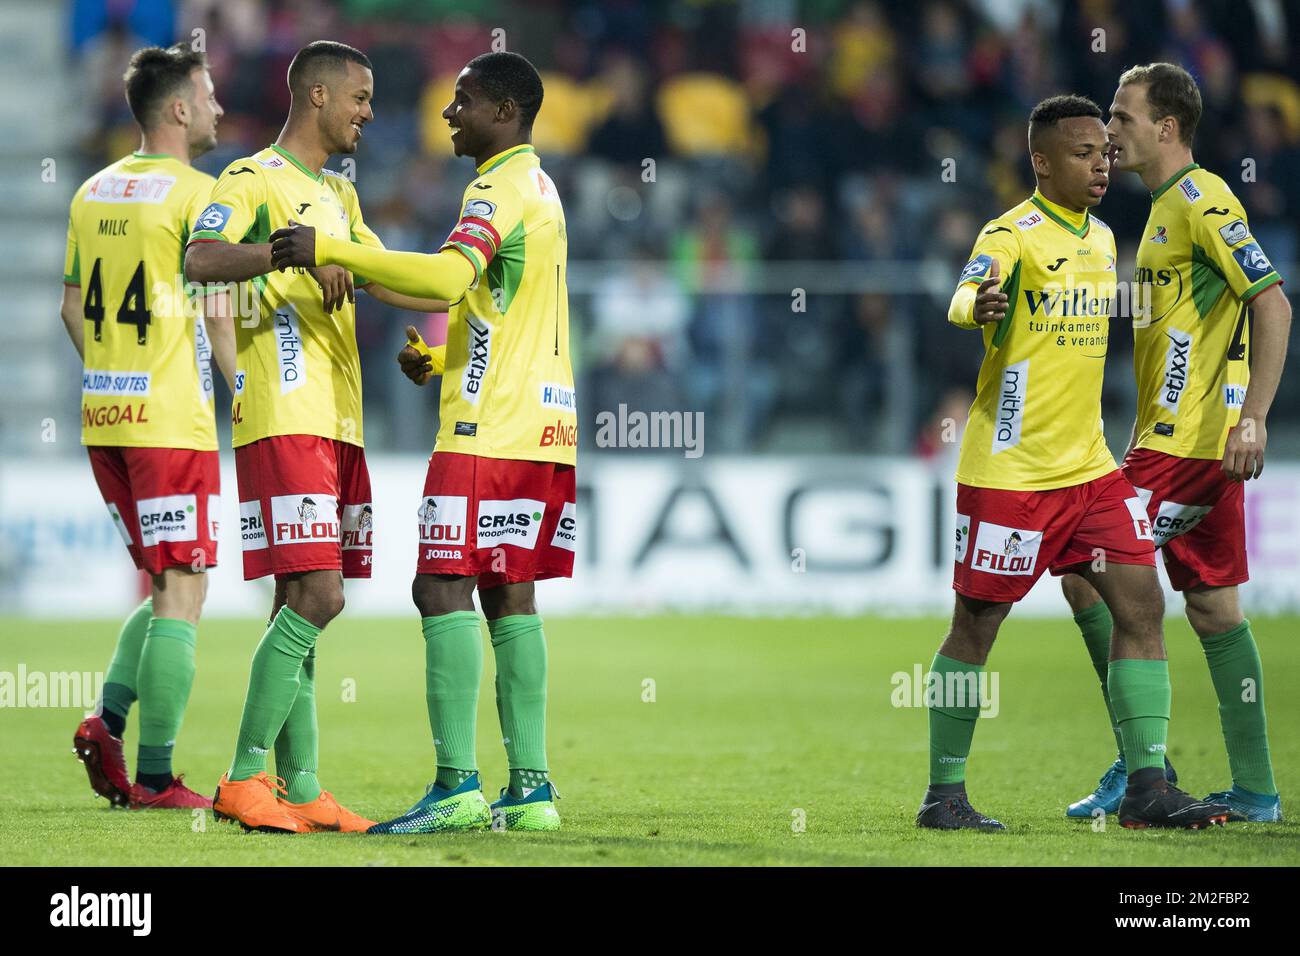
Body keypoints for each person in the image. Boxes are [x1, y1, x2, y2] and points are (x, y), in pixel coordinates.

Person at [270, 50, 574, 833]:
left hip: (486, 434)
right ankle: (533, 791)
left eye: (463, 102)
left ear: (503, 112)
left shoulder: (494, 188)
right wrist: (441, 360)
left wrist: (328, 248)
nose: (449, 113)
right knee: (511, 596)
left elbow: (444, 281)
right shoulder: (540, 187)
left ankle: (457, 786)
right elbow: (499, 307)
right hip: (541, 428)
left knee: (440, 588)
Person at [918, 94, 1229, 831]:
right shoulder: (1011, 233)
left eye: (1105, 149)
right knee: (976, 626)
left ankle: (1148, 784)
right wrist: (979, 305)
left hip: (1089, 470)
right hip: (1011, 473)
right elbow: (965, 292)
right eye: (1084, 152)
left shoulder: (1100, 238)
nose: (1102, 161)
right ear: (1042, 161)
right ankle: (945, 794)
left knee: (1141, 607)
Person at [184, 40, 445, 833]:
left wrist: (453, 301)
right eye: (361, 98)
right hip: (281, 410)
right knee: (320, 596)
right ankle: (242, 777)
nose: (370, 112)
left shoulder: (339, 195)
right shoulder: (250, 177)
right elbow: (199, 257)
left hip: (338, 417)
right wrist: (282, 254)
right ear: (321, 97)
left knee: (299, 599)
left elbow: (377, 274)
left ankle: (301, 786)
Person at [1063, 63, 1290, 823]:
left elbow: (1274, 305)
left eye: (1122, 118)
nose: (1109, 131)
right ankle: (1256, 792)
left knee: (1082, 570)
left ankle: (1140, 769)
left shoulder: (1199, 199)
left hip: (1185, 447)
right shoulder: (1163, 210)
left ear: (1166, 127)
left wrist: (1254, 415)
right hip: (1196, 444)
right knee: (1216, 611)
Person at [64, 44, 232, 811]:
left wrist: (113, 371)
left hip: (106, 417)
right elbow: (220, 312)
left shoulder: (92, 191)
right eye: (209, 96)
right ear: (178, 109)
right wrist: (246, 397)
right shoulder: (202, 194)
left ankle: (108, 722)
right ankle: (159, 778)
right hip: (170, 421)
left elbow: (72, 306)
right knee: (184, 588)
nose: (220, 109)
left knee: (170, 582)